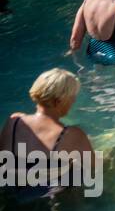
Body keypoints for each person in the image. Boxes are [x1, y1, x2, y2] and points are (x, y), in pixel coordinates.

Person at [3, 69, 93, 201]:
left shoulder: (14, 121)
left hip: (11, 193)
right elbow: (94, 168)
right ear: (59, 101)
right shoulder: (72, 134)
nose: (73, 102)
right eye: (72, 97)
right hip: (49, 199)